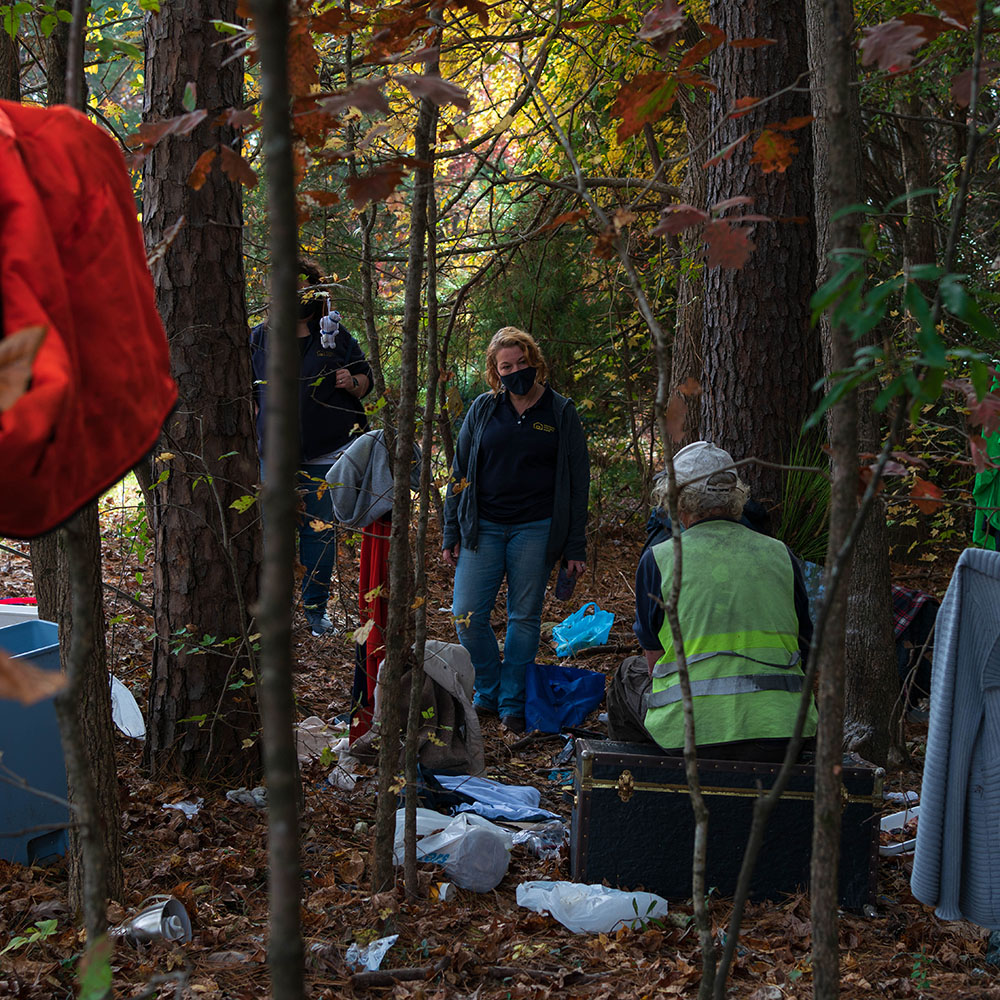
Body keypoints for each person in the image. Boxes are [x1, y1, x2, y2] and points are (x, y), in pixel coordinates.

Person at [608, 441, 818, 761]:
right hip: (783, 732)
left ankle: (644, 784)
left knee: (628, 674)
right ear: (736, 497)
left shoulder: (659, 559)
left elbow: (654, 666)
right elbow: (804, 649)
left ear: (676, 499)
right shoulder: (781, 555)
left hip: (691, 734)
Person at [442, 327, 590, 734]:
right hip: (483, 526)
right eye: (507, 366)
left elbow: (579, 482)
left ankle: (512, 700)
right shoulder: (483, 410)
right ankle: (487, 687)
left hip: (536, 528)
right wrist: (450, 531)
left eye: (522, 363)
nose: (516, 371)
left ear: (535, 361)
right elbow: (458, 473)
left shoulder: (561, 412)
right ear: (495, 371)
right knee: (466, 616)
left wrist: (575, 544)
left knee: (524, 618)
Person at [250, 258, 373, 636]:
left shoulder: (333, 336)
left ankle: (315, 612)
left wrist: (349, 380)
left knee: (318, 534)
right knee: (273, 533)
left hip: (327, 453)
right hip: (274, 455)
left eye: (304, 287)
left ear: (315, 293)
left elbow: (365, 379)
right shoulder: (259, 337)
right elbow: (246, 393)